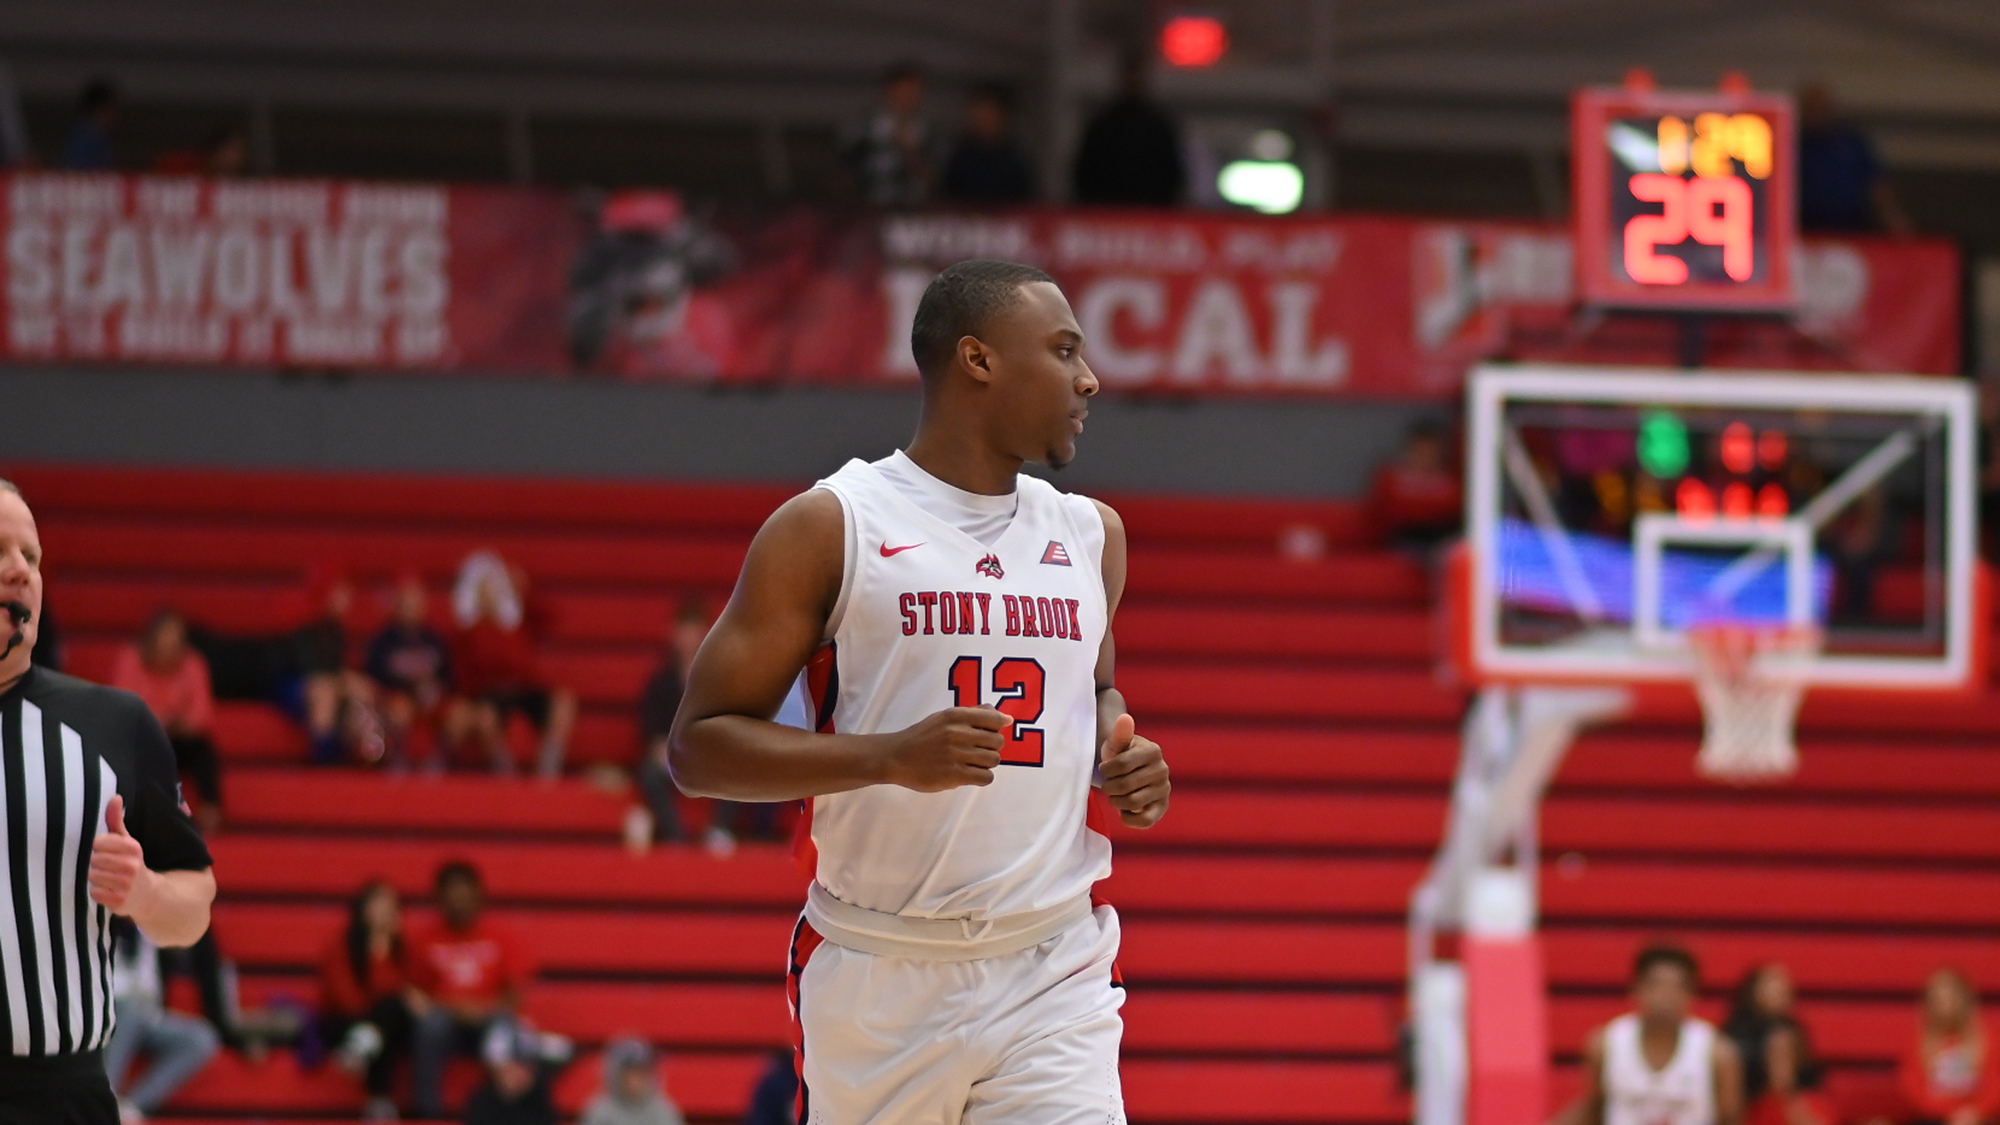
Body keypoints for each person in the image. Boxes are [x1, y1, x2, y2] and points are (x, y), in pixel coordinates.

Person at [668, 259, 1170, 1122]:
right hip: (880, 969)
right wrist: (889, 756)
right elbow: (698, 746)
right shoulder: (833, 524)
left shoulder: (1092, 536)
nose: (1088, 378)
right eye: (1062, 350)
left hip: (1053, 963)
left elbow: (1098, 692)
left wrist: (1118, 752)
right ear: (977, 359)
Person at [0, 477, 217, 1124]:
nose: (20, 571)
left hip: (59, 1096)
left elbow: (195, 899)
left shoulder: (114, 725)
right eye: (0, 553)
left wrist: (146, 894)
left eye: (31, 557)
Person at [1544, 942, 1744, 1125]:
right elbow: (1593, 1108)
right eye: (1656, 985)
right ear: (1636, 989)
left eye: (1675, 987)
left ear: (1692, 994)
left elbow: (1730, 1118)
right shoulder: (1605, 1044)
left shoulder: (1718, 1053)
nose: (1665, 996)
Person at [406, 861, 532, 1119]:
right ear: (440, 899)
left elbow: (515, 993)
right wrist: (454, 1008)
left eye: (465, 893)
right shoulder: (423, 939)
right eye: (452, 895)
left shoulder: (502, 935)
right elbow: (414, 992)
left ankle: (503, 1115)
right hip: (445, 1022)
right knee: (430, 1025)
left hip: (489, 1017)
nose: (460, 901)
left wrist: (484, 1009)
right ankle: (428, 1113)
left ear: (479, 895)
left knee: (504, 1026)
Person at [453, 554, 576, 777]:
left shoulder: (516, 624)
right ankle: (505, 775)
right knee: (486, 718)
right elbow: (467, 674)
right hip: (490, 695)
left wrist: (524, 591)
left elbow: (550, 617)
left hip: (523, 689)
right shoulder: (469, 632)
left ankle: (547, 774)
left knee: (563, 703)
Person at [112, 609, 224, 832]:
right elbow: (121, 709)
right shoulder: (131, 660)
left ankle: (211, 811)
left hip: (178, 738)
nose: (170, 645)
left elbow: (202, 714)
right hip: (143, 739)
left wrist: (178, 723)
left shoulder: (193, 663)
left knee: (203, 749)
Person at [104, 920, 221, 1122]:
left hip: (149, 1014)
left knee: (201, 1038)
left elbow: (204, 959)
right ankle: (104, 1097)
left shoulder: (154, 924)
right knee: (130, 1008)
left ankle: (131, 1108)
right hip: (109, 1014)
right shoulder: (100, 922)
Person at [318, 880, 414, 1122]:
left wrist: (383, 951)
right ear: (362, 909)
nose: (385, 910)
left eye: (391, 905)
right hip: (344, 1023)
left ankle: (364, 1047)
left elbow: (406, 994)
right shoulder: (341, 947)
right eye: (378, 903)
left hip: (381, 1028)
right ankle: (380, 1098)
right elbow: (346, 999)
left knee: (391, 1014)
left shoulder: (404, 950)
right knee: (383, 1024)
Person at [366, 575, 465, 772]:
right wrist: (408, 684)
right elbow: (375, 676)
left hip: (432, 697)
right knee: (399, 708)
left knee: (459, 713)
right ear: (398, 606)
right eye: (407, 604)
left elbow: (450, 677)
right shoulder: (384, 640)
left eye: (416, 603)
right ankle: (397, 759)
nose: (412, 609)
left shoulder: (435, 640)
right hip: (398, 695)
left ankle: (445, 762)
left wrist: (435, 688)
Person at [1072, 51, 1186, 206]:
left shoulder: (1159, 125)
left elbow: (1173, 173)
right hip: (1106, 212)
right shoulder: (1102, 124)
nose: (1133, 80)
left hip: (1151, 213)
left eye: (1137, 74)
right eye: (1130, 74)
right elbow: (1085, 173)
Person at [1796, 82, 1911, 234]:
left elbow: (1877, 184)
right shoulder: (1793, 145)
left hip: (1852, 229)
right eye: (1812, 108)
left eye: (1822, 107)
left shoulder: (1852, 143)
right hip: (1806, 231)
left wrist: (1896, 221)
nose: (1818, 113)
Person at [1898, 968, 1999, 1125]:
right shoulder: (1917, 1041)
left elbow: (1995, 1083)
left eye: (1951, 999)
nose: (1945, 1006)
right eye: (1938, 999)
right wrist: (1949, 1113)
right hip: (1933, 1119)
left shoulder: (1988, 1039)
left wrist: (1976, 1112)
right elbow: (1913, 1087)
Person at [1725, 963, 1820, 1106]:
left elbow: (1811, 1082)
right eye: (1771, 987)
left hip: (1792, 1107)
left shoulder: (1795, 1033)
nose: (1778, 993)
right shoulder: (1733, 1034)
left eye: (1782, 989)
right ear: (1753, 991)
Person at [839, 62, 933, 208]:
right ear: (888, 89)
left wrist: (909, 152)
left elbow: (933, 176)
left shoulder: (927, 129)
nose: (908, 96)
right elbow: (844, 167)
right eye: (903, 89)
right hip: (868, 206)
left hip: (913, 208)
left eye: (915, 90)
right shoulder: (865, 125)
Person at [1370, 419, 1463, 551]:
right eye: (1421, 450)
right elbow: (1387, 513)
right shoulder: (1392, 477)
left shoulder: (1450, 480)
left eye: (1430, 451)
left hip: (1441, 537)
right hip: (1403, 538)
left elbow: (1454, 511)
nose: (1425, 456)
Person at [461, 1020, 569, 1125]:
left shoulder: (541, 1104)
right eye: (515, 1066)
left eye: (528, 1066)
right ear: (496, 1070)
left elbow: (565, 1050)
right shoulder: (483, 1107)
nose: (522, 1074)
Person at [942, 84, 1037, 204]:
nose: (983, 119)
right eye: (979, 113)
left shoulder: (1015, 160)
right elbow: (947, 193)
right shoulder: (960, 156)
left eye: (989, 114)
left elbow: (1025, 199)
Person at [1744, 1017, 1835, 1125]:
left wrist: (1789, 1097)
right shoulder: (1755, 1105)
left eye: (1785, 1053)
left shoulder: (1816, 1102)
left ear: (1799, 1057)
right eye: (1773, 1052)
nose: (1778, 1060)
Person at [581, 1037, 685, 1125]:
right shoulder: (600, 1112)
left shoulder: (664, 1112)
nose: (636, 1080)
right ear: (617, 1074)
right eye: (631, 1073)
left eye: (642, 1072)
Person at [61, 78, 119, 171]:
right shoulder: (83, 138)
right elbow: (78, 173)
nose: (115, 115)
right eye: (111, 109)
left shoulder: (103, 138)